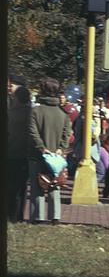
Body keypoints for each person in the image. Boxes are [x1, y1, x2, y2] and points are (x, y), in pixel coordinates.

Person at [28, 78, 72, 225]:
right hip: (57, 155)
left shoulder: (36, 111)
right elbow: (67, 133)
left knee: (38, 184)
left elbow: (32, 132)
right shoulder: (63, 114)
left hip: (38, 154)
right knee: (55, 184)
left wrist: (41, 147)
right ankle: (55, 216)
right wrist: (61, 148)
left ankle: (37, 216)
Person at [8, 86, 32, 222]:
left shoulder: (11, 113)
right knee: (21, 187)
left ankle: (10, 214)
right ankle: (18, 215)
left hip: (11, 153)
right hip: (23, 154)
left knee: (10, 186)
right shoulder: (30, 113)